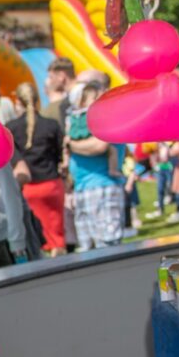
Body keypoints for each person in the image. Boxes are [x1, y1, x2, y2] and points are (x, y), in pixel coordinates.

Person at [64, 79, 126, 251]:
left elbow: (100, 145)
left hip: (103, 187)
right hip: (83, 188)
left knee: (108, 246)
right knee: (87, 248)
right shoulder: (81, 120)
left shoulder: (108, 118)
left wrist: (71, 145)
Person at [8, 81, 66, 256]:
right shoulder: (52, 125)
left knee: (38, 235)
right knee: (57, 233)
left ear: (18, 101)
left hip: (29, 187)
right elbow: (59, 154)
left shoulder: (11, 128)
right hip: (52, 184)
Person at [41, 57, 77, 122]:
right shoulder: (71, 95)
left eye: (51, 77)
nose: (50, 82)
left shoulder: (78, 94)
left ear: (61, 76)